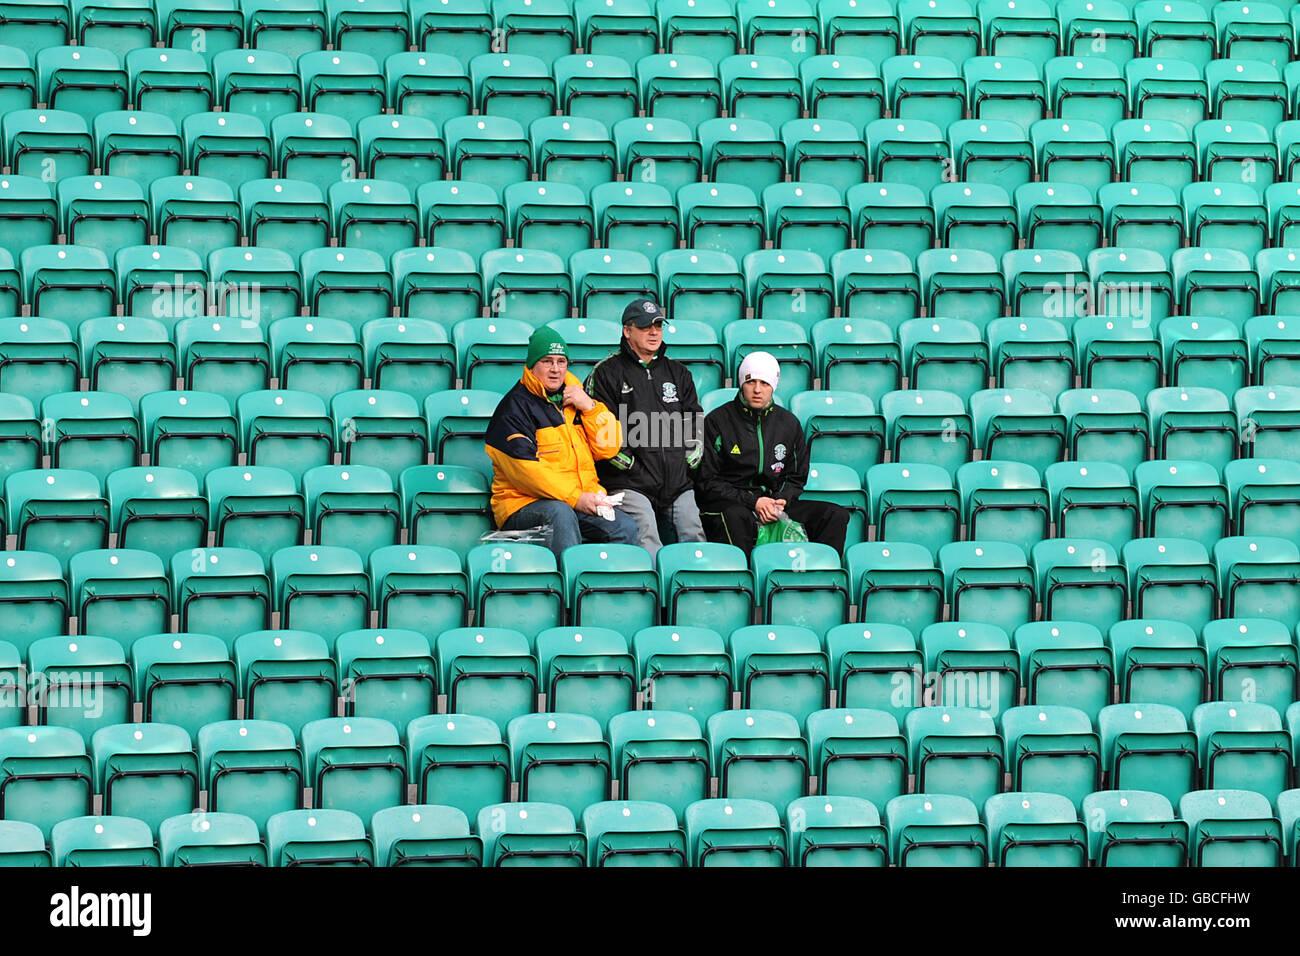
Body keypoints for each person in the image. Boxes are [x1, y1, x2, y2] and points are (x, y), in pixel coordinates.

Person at [484, 325, 639, 559]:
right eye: (547, 361)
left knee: (625, 526)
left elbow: (609, 447)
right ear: (532, 365)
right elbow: (528, 473)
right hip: (522, 504)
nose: (555, 369)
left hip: (576, 499)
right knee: (560, 513)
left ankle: (609, 589)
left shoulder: (576, 399)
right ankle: (570, 588)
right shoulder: (513, 409)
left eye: (561, 362)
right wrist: (577, 499)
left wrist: (591, 407)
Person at [584, 298, 707, 560]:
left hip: (677, 481)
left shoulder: (678, 372)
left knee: (693, 532)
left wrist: (687, 459)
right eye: (645, 327)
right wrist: (631, 467)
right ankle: (654, 597)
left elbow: (694, 418)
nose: (654, 333)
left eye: (658, 326)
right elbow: (598, 430)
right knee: (647, 536)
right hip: (629, 482)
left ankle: (693, 595)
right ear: (627, 331)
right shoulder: (606, 373)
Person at [695, 350, 850, 554]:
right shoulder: (717, 422)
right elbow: (707, 481)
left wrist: (780, 501)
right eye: (751, 382)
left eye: (765, 383)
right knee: (734, 516)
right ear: (742, 383)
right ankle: (744, 582)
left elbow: (796, 476)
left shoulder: (789, 423)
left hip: (776, 503)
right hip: (732, 504)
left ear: (773, 386)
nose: (757, 390)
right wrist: (754, 502)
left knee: (835, 514)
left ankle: (823, 578)